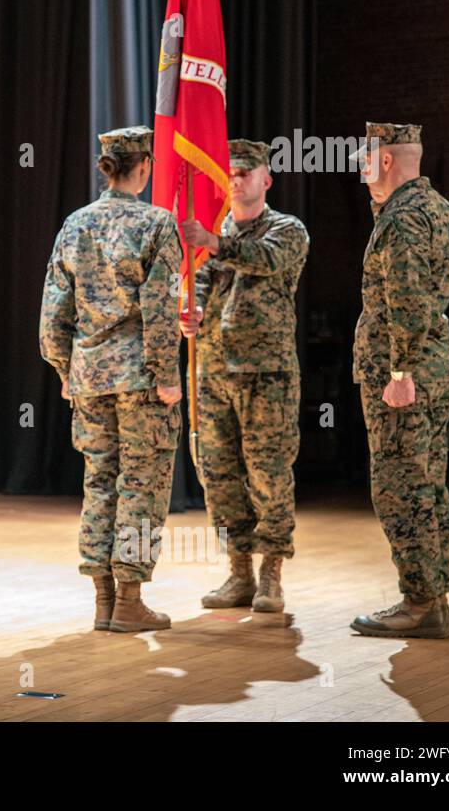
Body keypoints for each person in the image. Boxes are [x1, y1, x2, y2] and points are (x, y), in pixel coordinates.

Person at [40, 125, 183, 632]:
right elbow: (162, 307)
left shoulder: (75, 224)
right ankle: (129, 600)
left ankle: (103, 601)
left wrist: (64, 369)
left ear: (107, 168)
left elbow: (54, 309)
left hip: (90, 379)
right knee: (142, 487)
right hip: (141, 378)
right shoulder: (157, 224)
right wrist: (168, 374)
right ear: (144, 166)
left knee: (100, 483)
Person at [179, 139, 309, 613]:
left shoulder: (287, 230)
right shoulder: (210, 235)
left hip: (266, 375)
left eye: (246, 173)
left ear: (265, 179)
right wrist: (189, 313)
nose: (236, 180)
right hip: (212, 371)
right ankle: (239, 573)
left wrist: (213, 243)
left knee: (269, 474)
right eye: (230, 173)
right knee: (218, 474)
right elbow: (202, 287)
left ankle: (272, 572)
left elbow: (267, 261)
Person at [348, 122, 449, 639]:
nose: (357, 164)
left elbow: (408, 300)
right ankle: (432, 596)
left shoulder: (403, 219)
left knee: (399, 486)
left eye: (363, 156)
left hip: (407, 373)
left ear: (386, 160)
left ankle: (419, 603)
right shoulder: (438, 208)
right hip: (434, 364)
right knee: (428, 481)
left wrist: (401, 371)